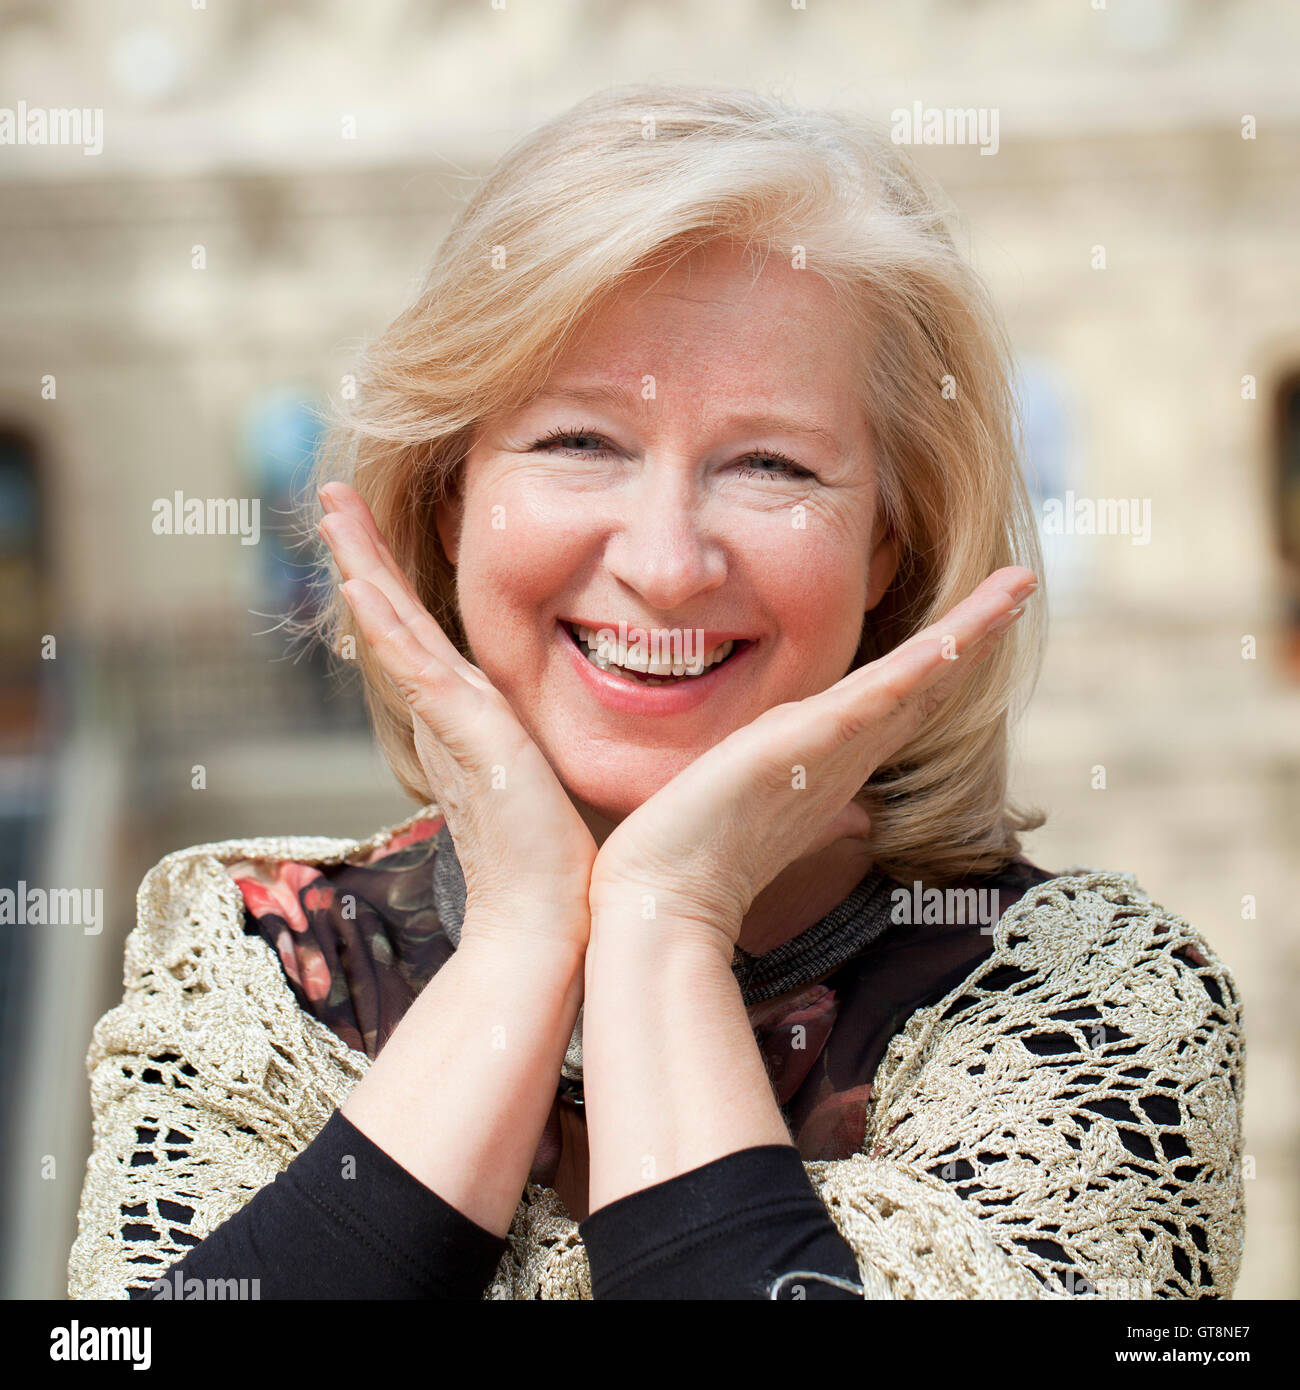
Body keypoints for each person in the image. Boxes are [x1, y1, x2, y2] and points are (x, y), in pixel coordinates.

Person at [68, 83, 1244, 1301]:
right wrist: (524, 932)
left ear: (887, 548)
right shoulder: (259, 965)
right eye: (581, 442)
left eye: (771, 464)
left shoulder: (1082, 1009)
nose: (667, 561)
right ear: (447, 498)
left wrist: (666, 921)